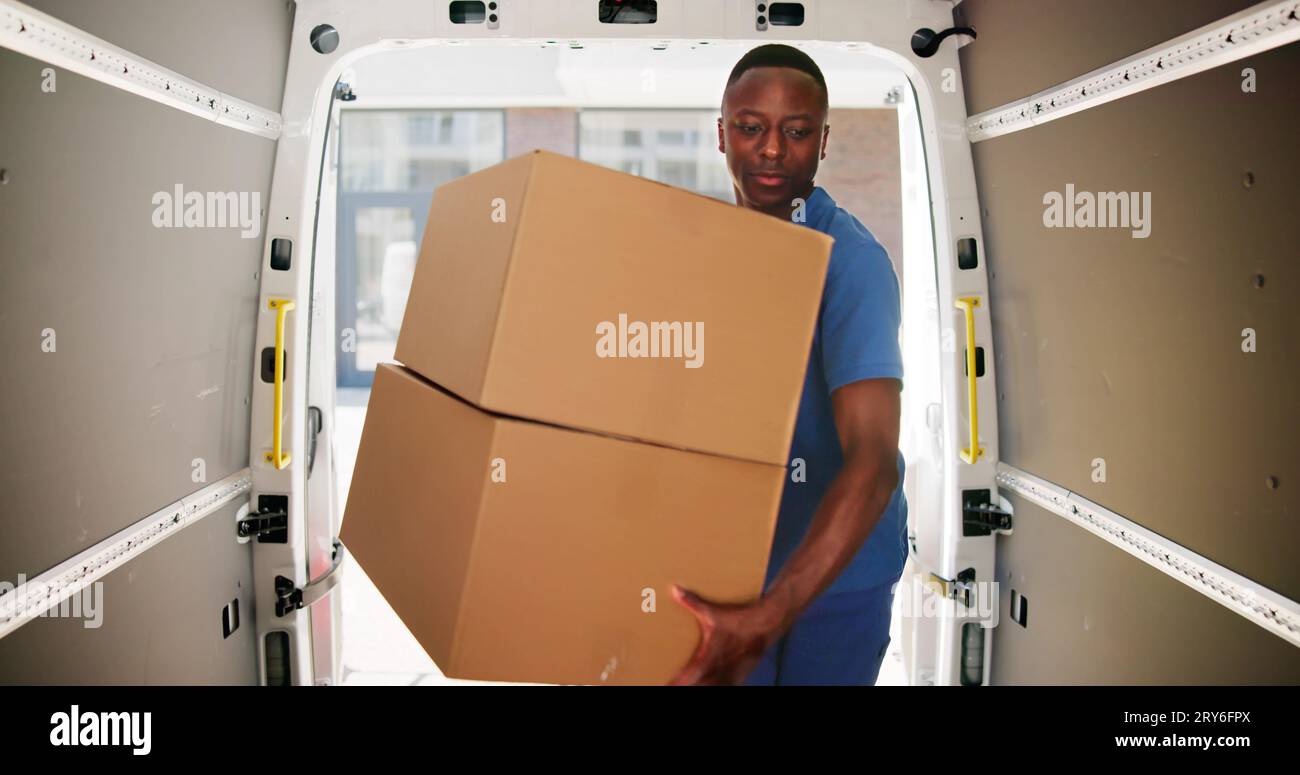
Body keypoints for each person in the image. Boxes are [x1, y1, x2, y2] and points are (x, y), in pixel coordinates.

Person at [669, 44, 907, 686]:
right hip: (736, 569)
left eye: (796, 131)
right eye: (751, 127)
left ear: (823, 141)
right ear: (722, 133)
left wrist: (772, 615)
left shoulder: (850, 263)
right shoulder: (709, 249)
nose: (772, 149)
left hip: (833, 588)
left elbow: (874, 461)